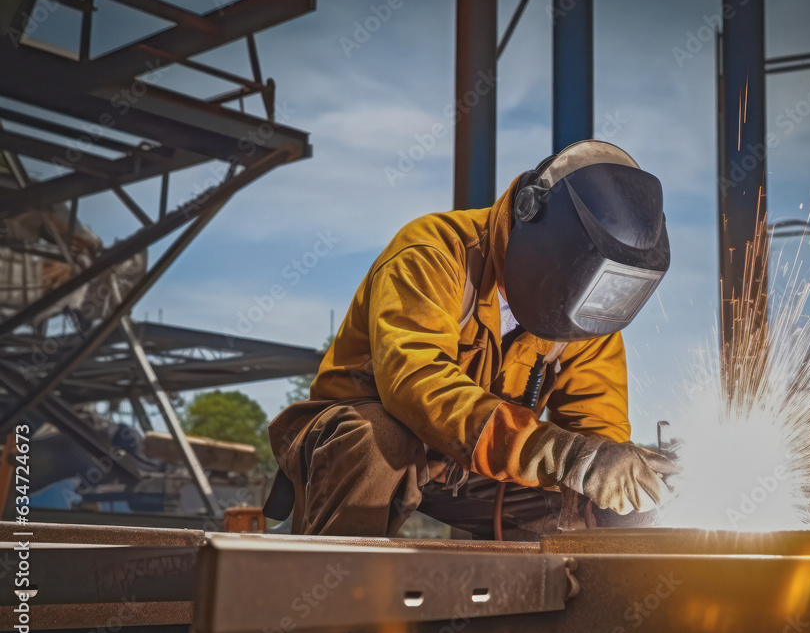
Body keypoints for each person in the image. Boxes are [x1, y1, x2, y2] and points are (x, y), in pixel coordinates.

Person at [265, 140, 677, 539]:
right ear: (531, 220)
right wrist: (563, 456)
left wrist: (620, 477)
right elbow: (417, 387)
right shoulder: (432, 252)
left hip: (471, 465)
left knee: (589, 506)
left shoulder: (588, 313)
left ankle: (540, 604)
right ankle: (331, 595)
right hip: (360, 446)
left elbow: (596, 434)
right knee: (380, 440)